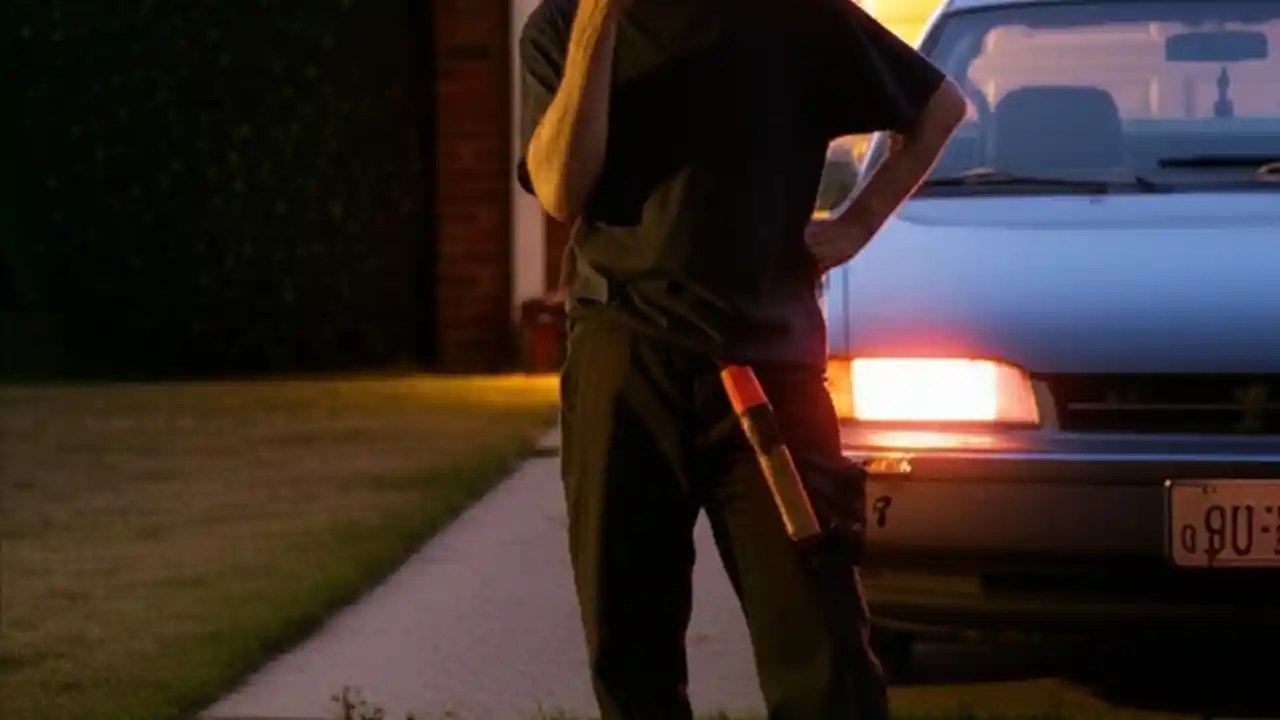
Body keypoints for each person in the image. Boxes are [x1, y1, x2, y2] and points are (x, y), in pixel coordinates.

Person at [516, 0, 965, 717]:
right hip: (625, 361)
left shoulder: (792, 16)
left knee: (823, 653)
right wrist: (598, 24)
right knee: (630, 652)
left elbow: (939, 105)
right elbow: (562, 189)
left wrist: (856, 225)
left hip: (767, 371)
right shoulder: (560, 28)